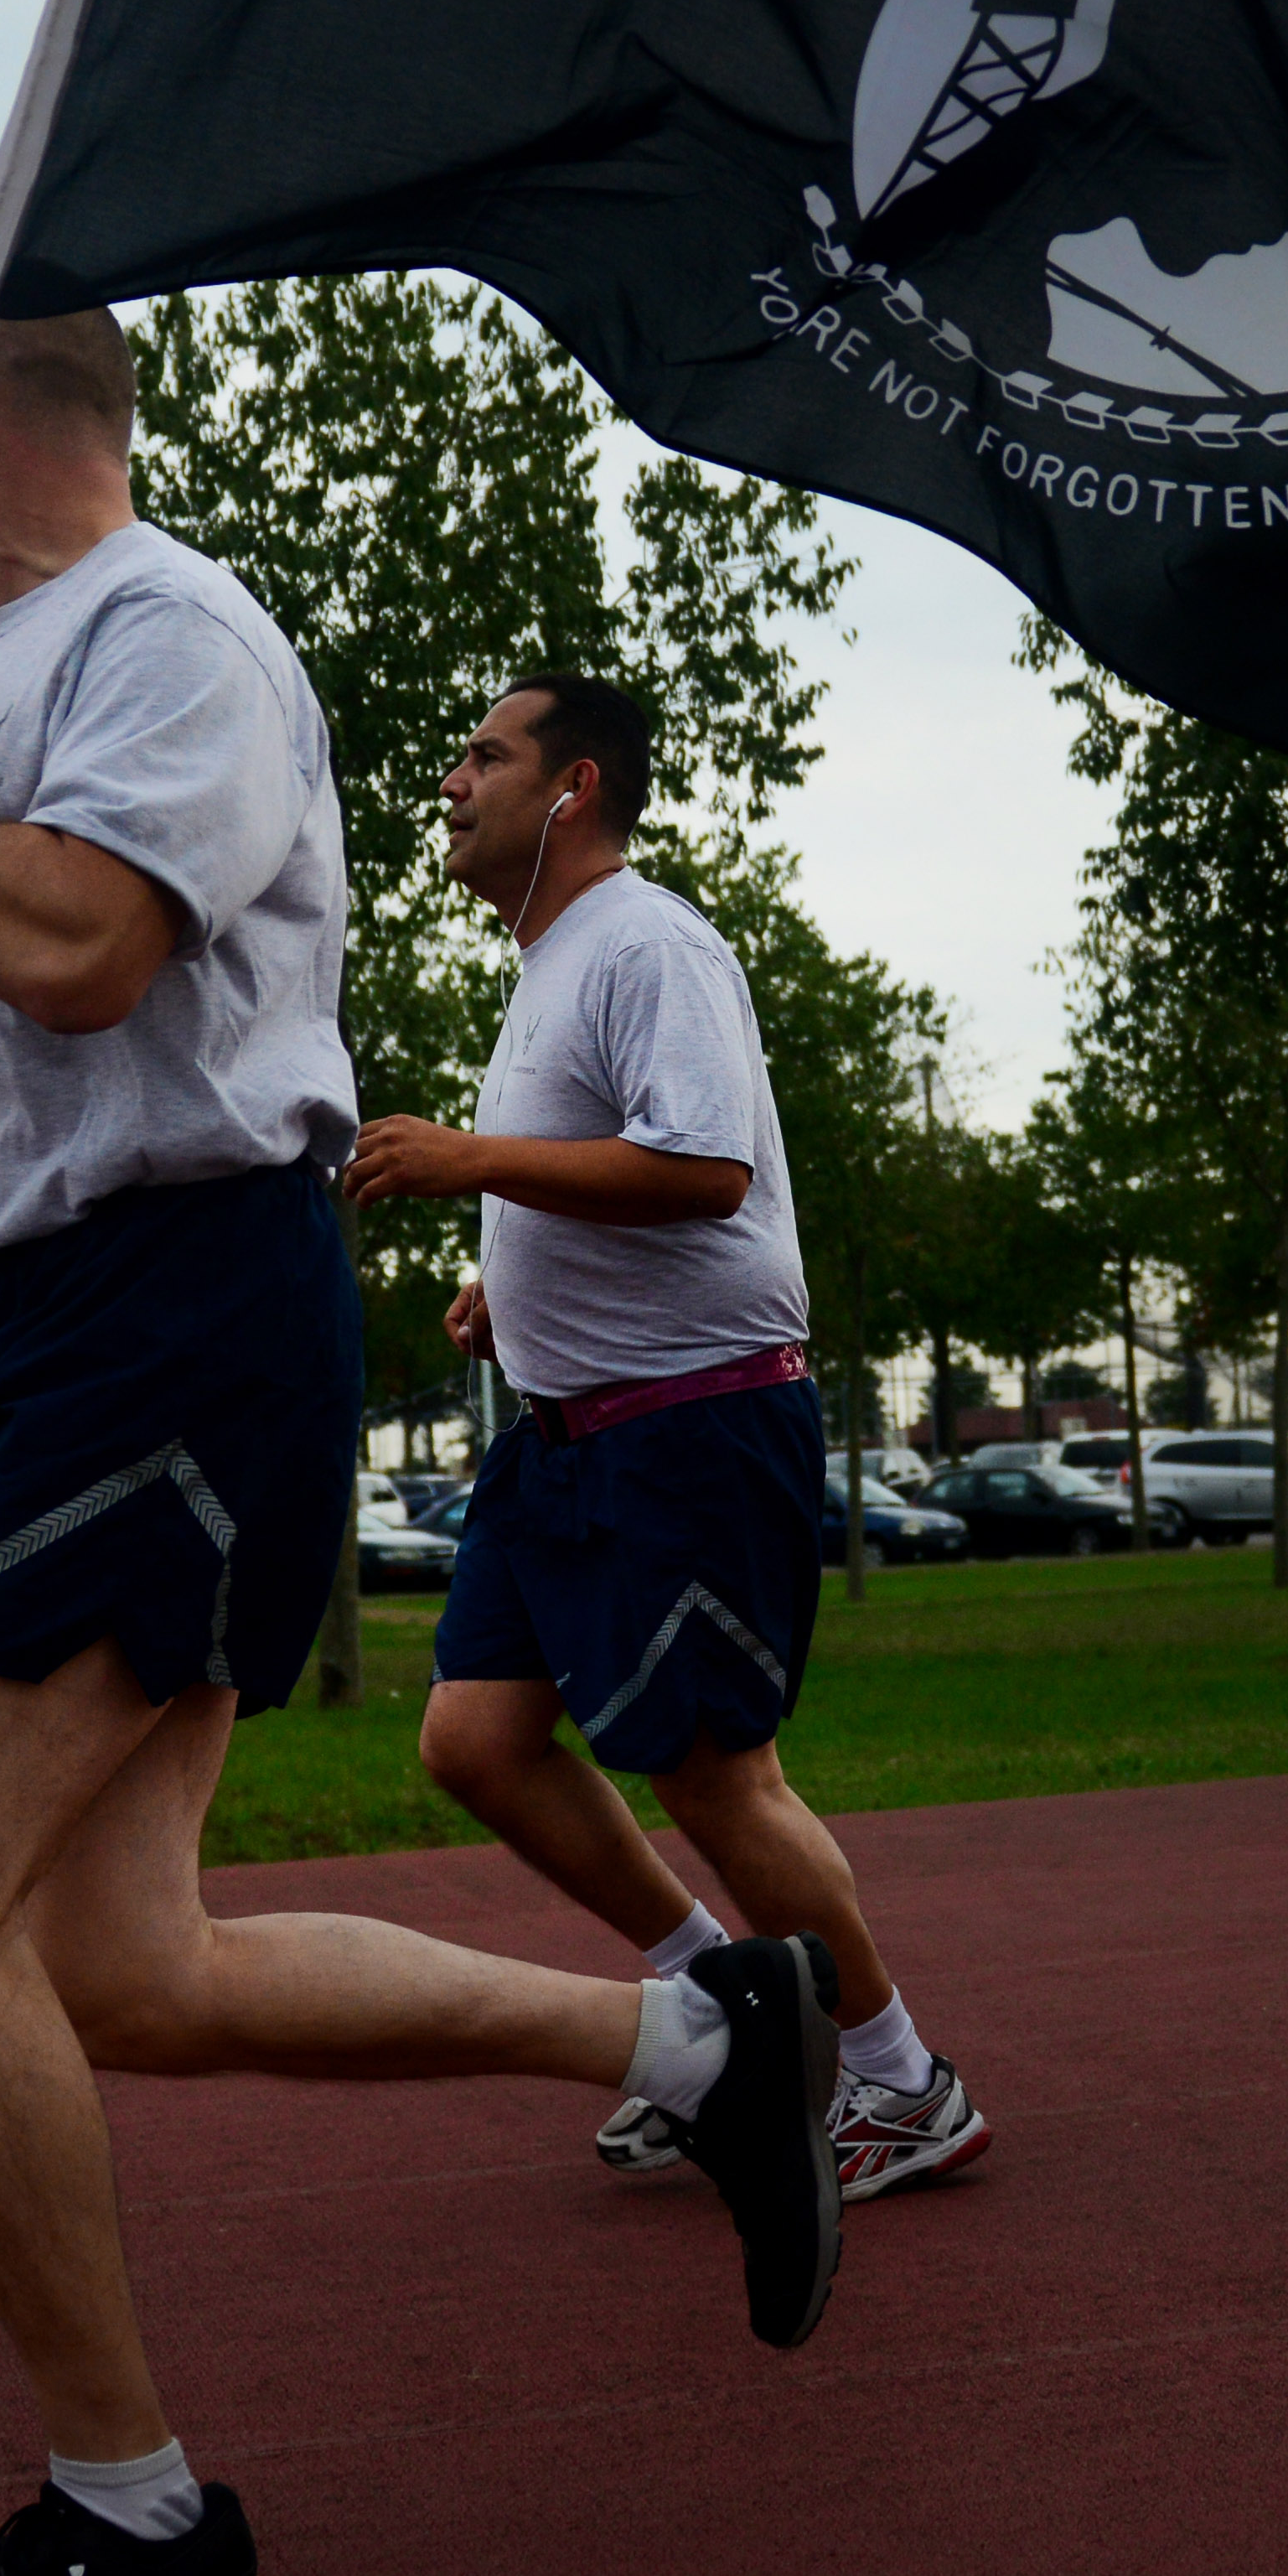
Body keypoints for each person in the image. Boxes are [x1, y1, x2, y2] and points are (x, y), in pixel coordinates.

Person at [0, 311, 841, 2576]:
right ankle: (704, 2051)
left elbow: (96, 958)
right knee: (117, 1967)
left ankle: (135, 2514)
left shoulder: (171, 635)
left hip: (178, 1308)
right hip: (64, 1314)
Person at [346, 667, 988, 2205]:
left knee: (718, 1778)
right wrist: (506, 1279)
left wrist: (472, 1162)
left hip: (688, 1424)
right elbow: (610, 1163)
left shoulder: (646, 937)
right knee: (474, 1741)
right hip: (564, 1436)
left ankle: (906, 2082)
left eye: (484, 752)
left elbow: (702, 1166)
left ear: (570, 788)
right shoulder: (553, 963)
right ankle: (724, 2012)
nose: (452, 778)